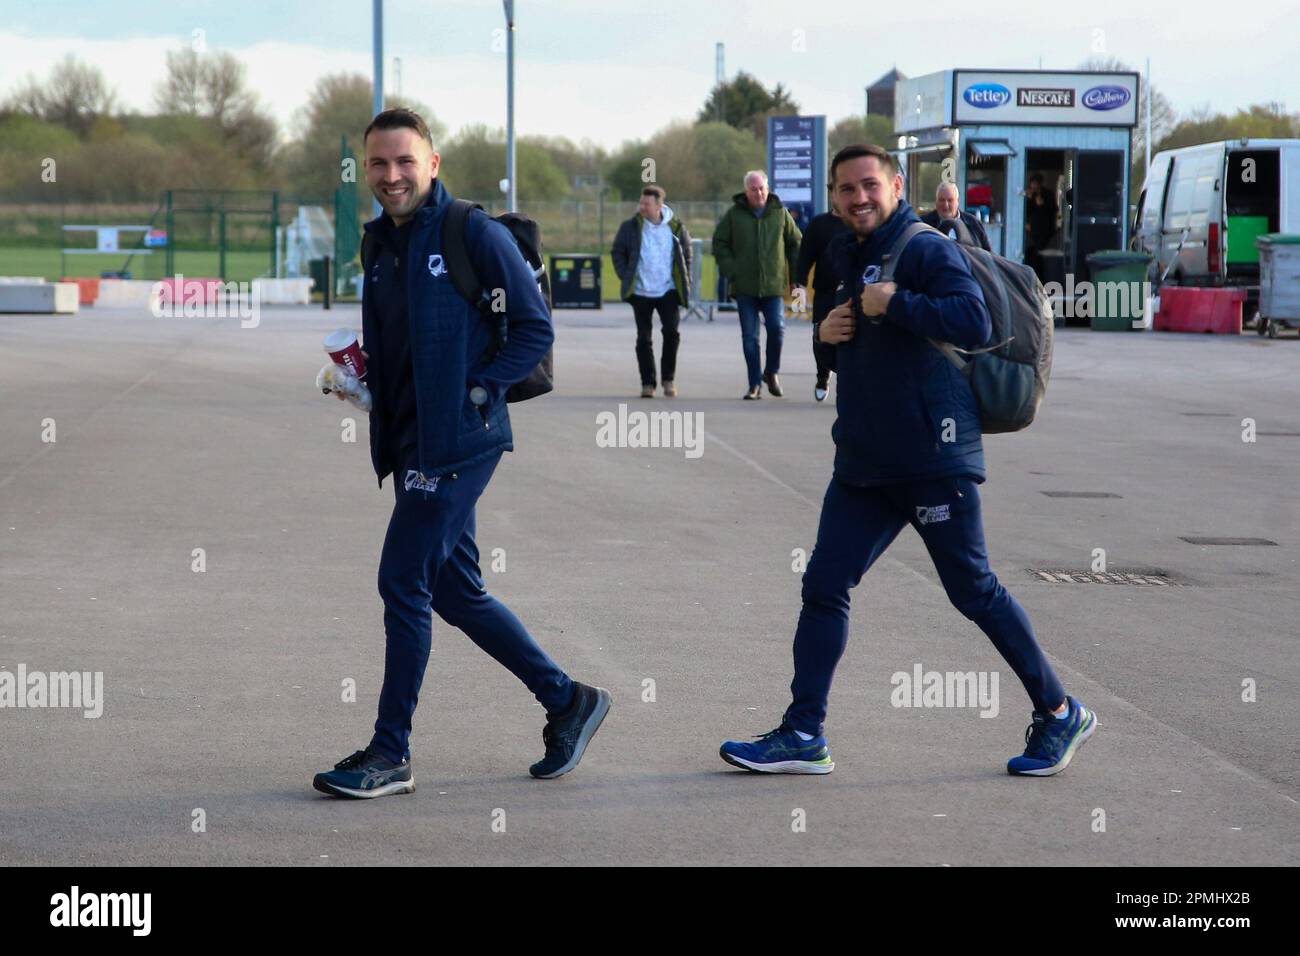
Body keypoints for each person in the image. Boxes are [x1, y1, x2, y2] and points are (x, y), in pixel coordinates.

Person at [719, 144, 1096, 778]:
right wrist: (829, 334)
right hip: (865, 460)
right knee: (824, 587)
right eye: (845, 189)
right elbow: (869, 345)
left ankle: (1059, 712)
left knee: (973, 591)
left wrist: (893, 303)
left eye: (869, 185)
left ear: (896, 186)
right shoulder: (847, 251)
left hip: (931, 455)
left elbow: (973, 320)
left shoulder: (924, 247)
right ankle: (804, 733)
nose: (857, 197)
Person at [313, 108, 610, 799]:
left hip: (458, 442)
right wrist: (365, 381)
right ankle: (568, 700)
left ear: (433, 163)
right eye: (379, 165)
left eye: (405, 162)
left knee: (402, 581)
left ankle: (391, 753)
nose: (392, 176)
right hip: (412, 435)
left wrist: (480, 392)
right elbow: (403, 341)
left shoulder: (471, 232)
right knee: (455, 589)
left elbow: (534, 329)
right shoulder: (378, 245)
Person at [712, 170, 802, 400]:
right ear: (746, 191)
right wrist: (731, 270)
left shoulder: (780, 213)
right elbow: (719, 242)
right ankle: (754, 384)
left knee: (777, 329)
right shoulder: (734, 215)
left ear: (768, 188)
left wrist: (795, 278)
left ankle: (771, 372)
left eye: (762, 188)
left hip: (773, 286)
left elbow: (795, 243)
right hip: (745, 287)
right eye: (753, 189)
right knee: (750, 338)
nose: (758, 192)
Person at [611, 185, 693, 398]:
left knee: (671, 333)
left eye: (647, 204)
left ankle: (668, 380)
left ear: (659, 206)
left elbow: (687, 255)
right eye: (641, 203)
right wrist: (626, 275)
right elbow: (617, 251)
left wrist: (685, 280)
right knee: (643, 338)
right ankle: (648, 383)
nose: (642, 207)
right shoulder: (630, 227)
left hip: (668, 291)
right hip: (641, 292)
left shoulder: (675, 227)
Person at [793, 207, 850, 402]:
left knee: (848, 336)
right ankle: (822, 376)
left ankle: (847, 382)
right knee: (821, 337)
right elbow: (805, 256)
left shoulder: (857, 222)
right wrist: (799, 285)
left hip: (850, 291)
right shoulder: (819, 224)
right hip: (825, 291)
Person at [921, 182, 992, 252]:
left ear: (957, 202)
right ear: (936, 202)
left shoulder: (974, 223)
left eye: (950, 200)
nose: (946, 205)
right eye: (942, 200)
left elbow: (988, 255)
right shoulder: (923, 224)